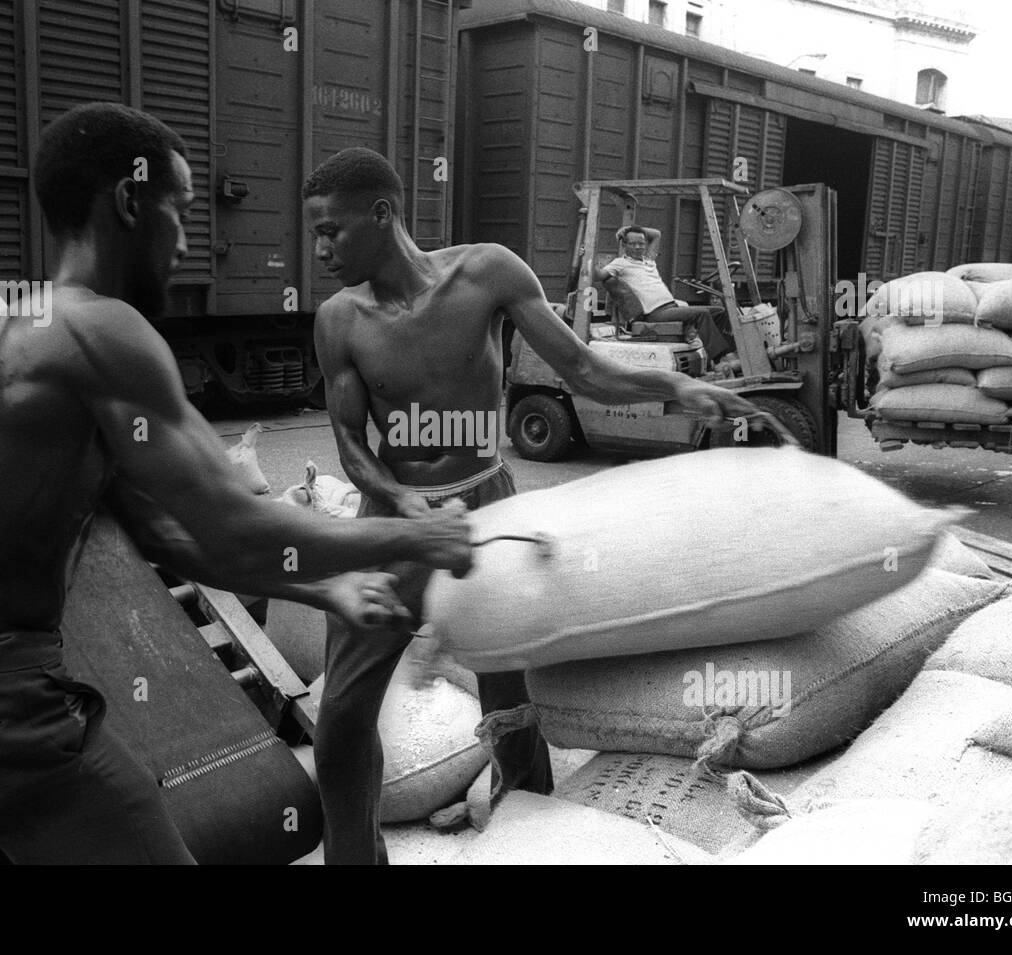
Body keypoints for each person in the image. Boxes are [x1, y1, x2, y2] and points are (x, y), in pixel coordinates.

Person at [0, 104, 475, 865]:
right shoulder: (104, 330)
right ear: (130, 203)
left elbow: (172, 535)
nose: (186, 241)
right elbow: (234, 519)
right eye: (180, 211)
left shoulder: (19, 326)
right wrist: (419, 533)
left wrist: (324, 589)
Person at [304, 147, 761, 864]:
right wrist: (401, 501)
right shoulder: (339, 320)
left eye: (331, 231)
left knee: (509, 697)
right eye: (316, 235)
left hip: (490, 513)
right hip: (394, 521)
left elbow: (581, 367)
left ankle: (525, 837)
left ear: (382, 214)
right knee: (340, 717)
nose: (321, 250)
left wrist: (673, 388)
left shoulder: (487, 272)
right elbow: (351, 447)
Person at [595, 225, 733, 361]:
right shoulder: (620, 263)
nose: (637, 247)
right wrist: (589, 258)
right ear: (624, 245)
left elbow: (656, 234)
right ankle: (721, 359)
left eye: (641, 243)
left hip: (671, 307)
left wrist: (629, 228)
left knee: (719, 312)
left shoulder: (649, 259)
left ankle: (727, 352)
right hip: (655, 313)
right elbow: (599, 276)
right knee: (702, 314)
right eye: (632, 243)